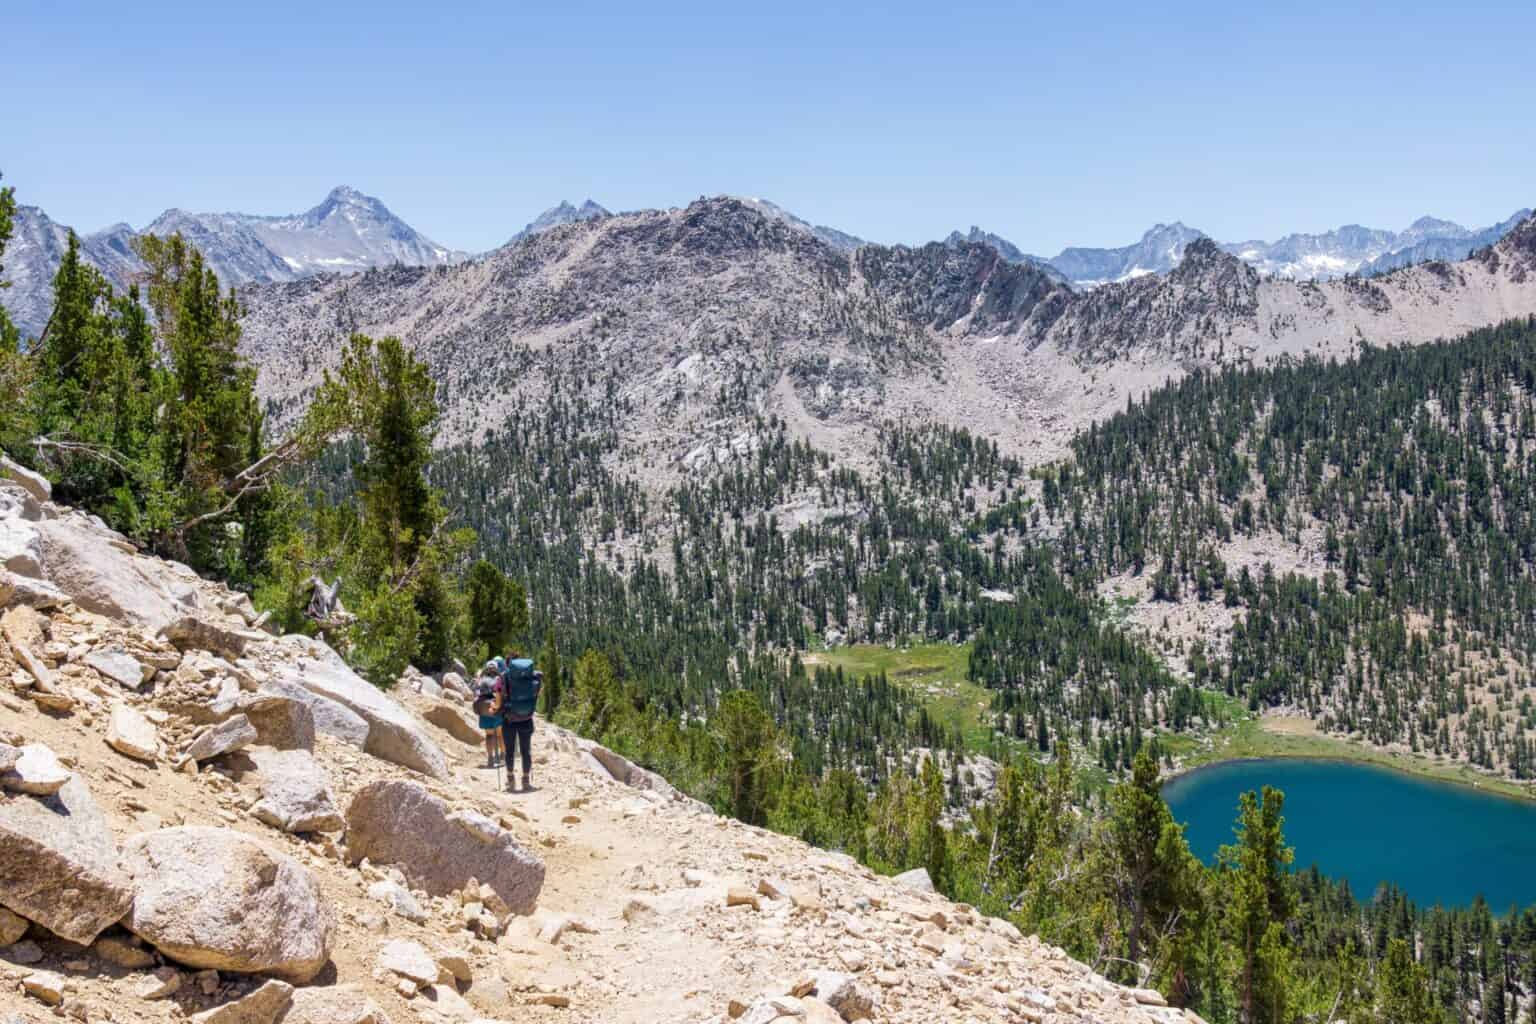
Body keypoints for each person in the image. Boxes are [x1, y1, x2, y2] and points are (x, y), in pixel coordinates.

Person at [498, 650, 542, 792]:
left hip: (509, 719)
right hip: (526, 718)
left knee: (509, 750)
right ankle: (526, 780)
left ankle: (511, 780)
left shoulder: (503, 677)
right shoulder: (530, 677)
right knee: (525, 750)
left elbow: (498, 696)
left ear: (508, 664)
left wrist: (495, 709)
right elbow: (537, 691)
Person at [473, 659, 505, 770]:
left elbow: (475, 692)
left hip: (484, 710)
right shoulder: (500, 679)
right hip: (496, 709)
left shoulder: (481, 680)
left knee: (489, 735)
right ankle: (502, 756)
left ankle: (490, 758)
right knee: (500, 734)